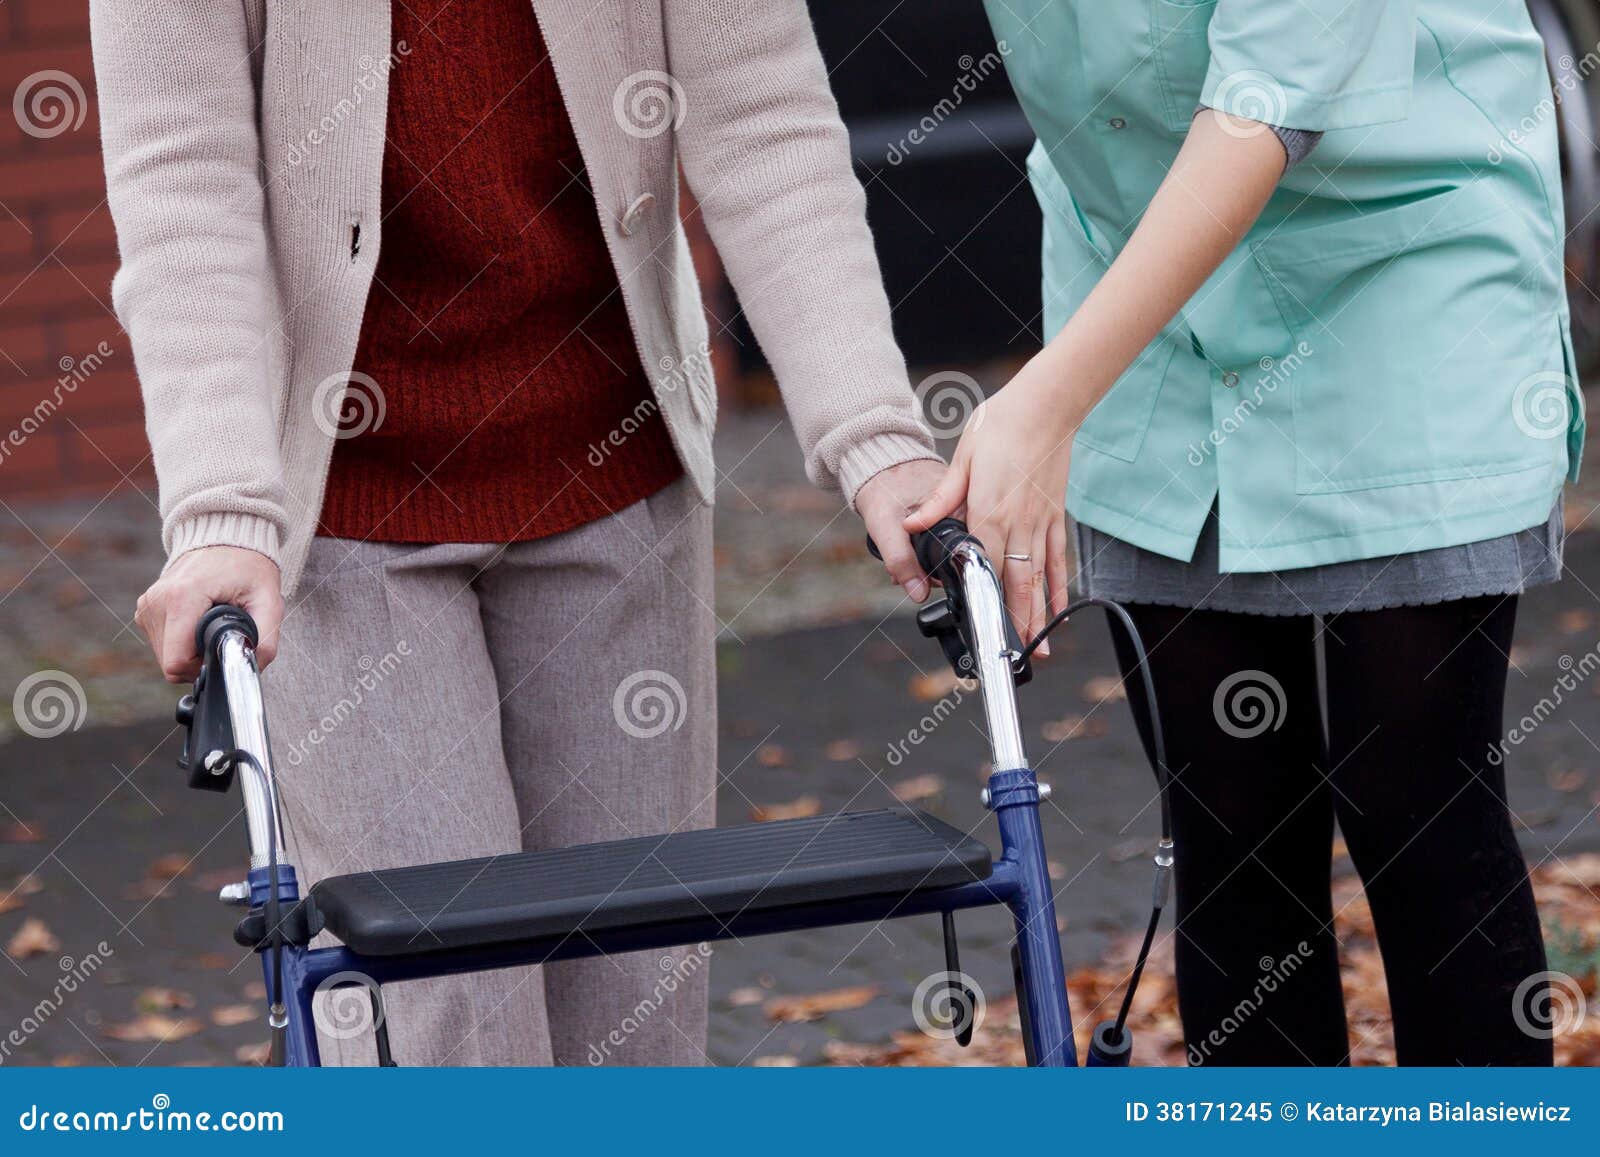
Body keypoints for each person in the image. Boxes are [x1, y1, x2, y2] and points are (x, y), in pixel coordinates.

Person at [91, 1, 944, 1065]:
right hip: (343, 511)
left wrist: (874, 436)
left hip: (612, 468)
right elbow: (185, 183)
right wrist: (223, 508)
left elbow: (762, 118)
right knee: (449, 1006)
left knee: (637, 1001)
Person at [913, 0, 1575, 1064]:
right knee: (1227, 829)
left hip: (1404, 254)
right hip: (1136, 278)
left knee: (1418, 812)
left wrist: (1045, 405)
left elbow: (1267, 101)